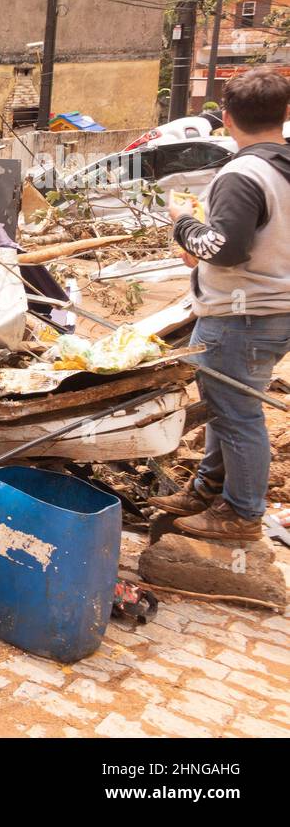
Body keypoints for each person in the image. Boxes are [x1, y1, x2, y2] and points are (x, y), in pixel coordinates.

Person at [149, 68, 290, 541]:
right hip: (275, 310)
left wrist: (183, 223)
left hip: (242, 314)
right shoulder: (282, 166)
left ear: (226, 118)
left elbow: (226, 249)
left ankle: (241, 514)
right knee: (227, 407)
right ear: (285, 113)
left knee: (236, 414)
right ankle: (208, 489)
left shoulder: (243, 174)